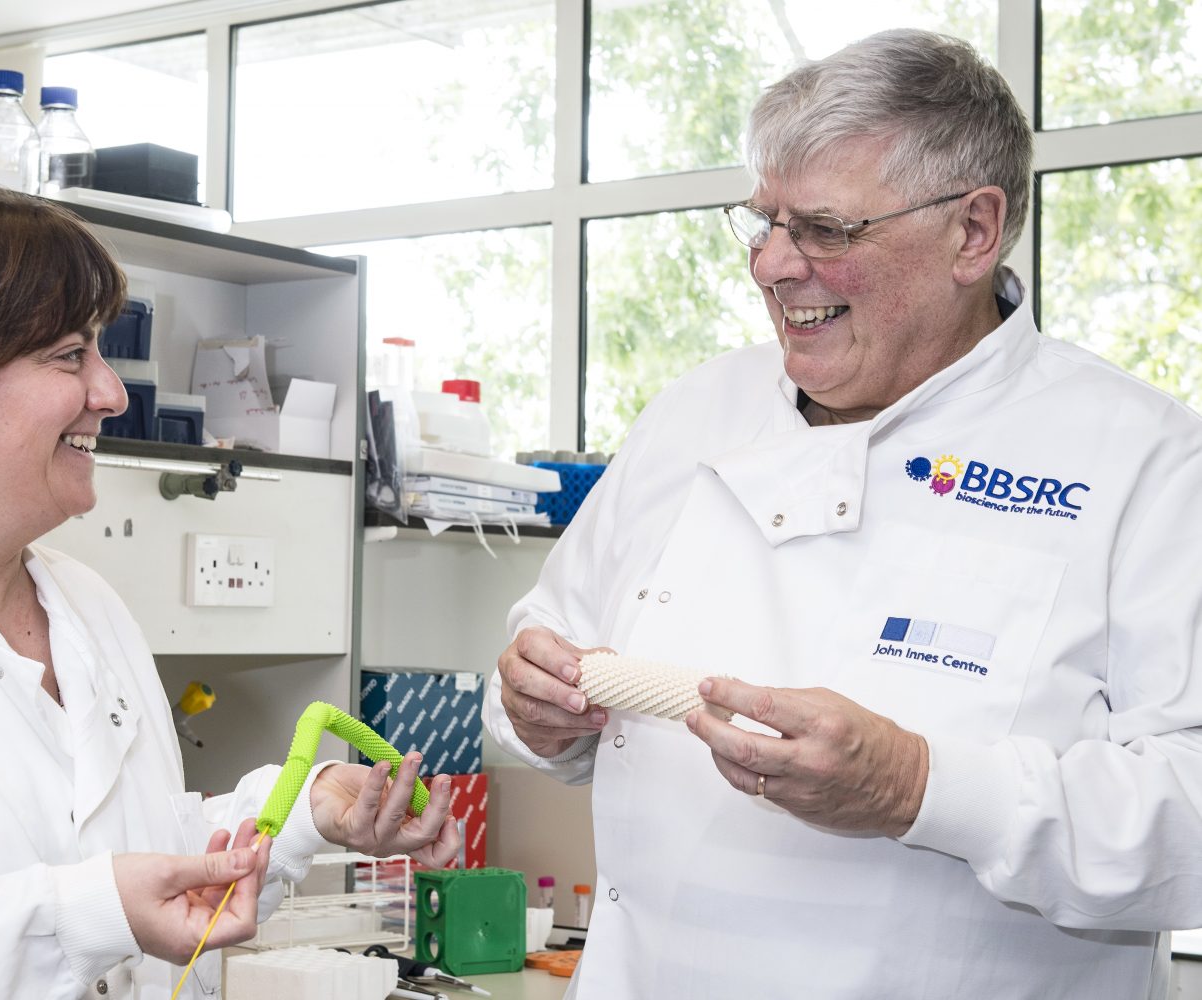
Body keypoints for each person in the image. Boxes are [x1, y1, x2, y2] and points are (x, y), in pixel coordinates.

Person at [487, 28, 1202, 1000]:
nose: (772, 266)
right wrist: (538, 707)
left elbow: (1190, 818)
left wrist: (920, 785)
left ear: (973, 232)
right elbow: (540, 665)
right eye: (764, 222)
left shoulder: (1145, 461)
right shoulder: (695, 413)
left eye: (825, 229)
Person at [0, 188, 460, 999]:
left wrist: (304, 814)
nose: (111, 392)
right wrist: (78, 917)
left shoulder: (86, 604)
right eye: (70, 356)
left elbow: (128, 852)